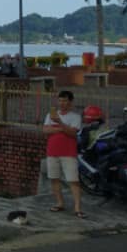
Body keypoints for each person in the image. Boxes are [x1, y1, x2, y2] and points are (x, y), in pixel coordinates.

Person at [43, 90, 85, 218]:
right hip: (52, 152)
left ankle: (77, 208)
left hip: (68, 153)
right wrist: (62, 128)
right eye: (60, 100)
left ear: (70, 102)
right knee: (54, 178)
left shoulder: (75, 117)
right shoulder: (50, 115)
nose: (62, 103)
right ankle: (59, 203)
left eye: (65, 100)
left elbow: (73, 133)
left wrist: (59, 123)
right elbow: (45, 130)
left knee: (73, 180)